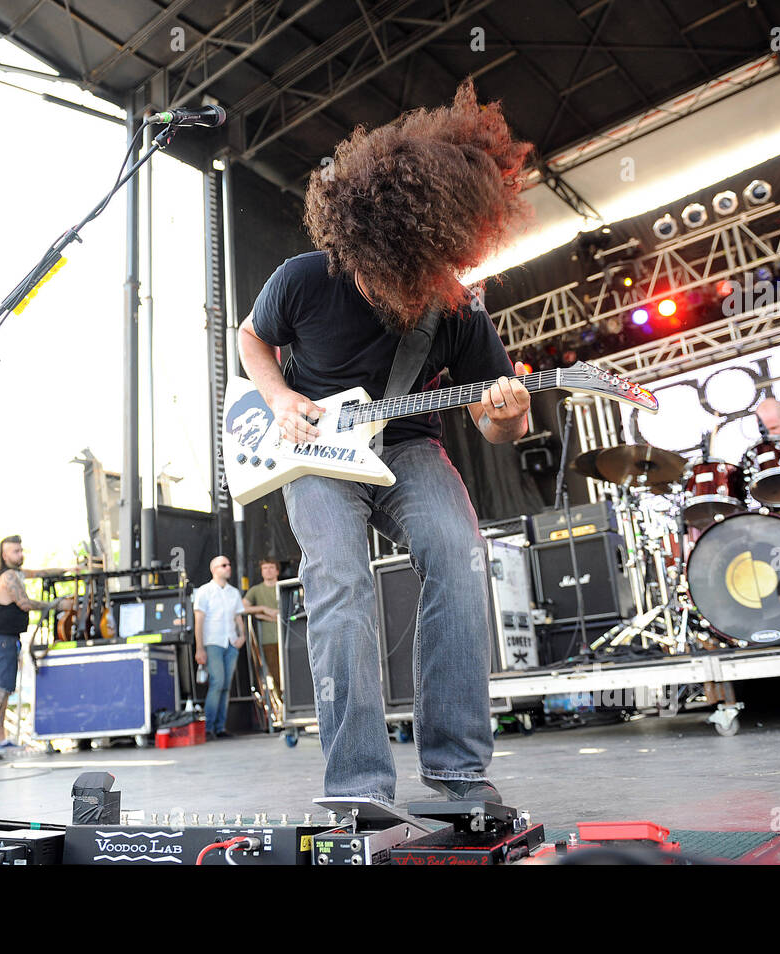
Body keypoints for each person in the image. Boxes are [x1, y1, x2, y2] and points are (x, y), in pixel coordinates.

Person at [236, 79, 532, 805]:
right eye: (377, 273)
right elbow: (251, 337)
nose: (386, 287)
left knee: (462, 559)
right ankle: (359, 785)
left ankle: (458, 768)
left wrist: (508, 411)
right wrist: (280, 398)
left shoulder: (454, 308)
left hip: (408, 446)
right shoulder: (305, 278)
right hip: (318, 453)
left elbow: (503, 428)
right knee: (339, 580)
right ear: (358, 238)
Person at [0, 535, 71, 754]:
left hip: (9, 638)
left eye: (21, 550)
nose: (20, 555)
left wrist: (69, 570)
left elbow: (40, 573)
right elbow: (24, 603)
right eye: (15, 551)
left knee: (7, 688)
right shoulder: (8, 577)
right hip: (1, 638)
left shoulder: (18, 573)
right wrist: (57, 604)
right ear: (4, 555)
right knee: (2, 688)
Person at [192, 555, 246, 739]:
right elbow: (198, 621)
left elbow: (239, 617)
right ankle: (208, 728)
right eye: (224, 565)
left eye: (229, 564)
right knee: (217, 683)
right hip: (213, 642)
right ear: (214, 569)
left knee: (225, 686)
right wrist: (199, 648)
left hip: (231, 642)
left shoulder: (233, 592)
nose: (228, 567)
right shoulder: (204, 591)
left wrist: (242, 636)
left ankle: (220, 727)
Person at [242, 558, 282, 691]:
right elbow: (241, 608)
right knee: (275, 675)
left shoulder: (284, 586)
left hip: (289, 639)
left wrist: (263, 616)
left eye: (271, 567)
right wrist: (263, 610)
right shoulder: (256, 590)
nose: (268, 571)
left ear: (277, 570)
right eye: (265, 568)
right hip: (268, 640)